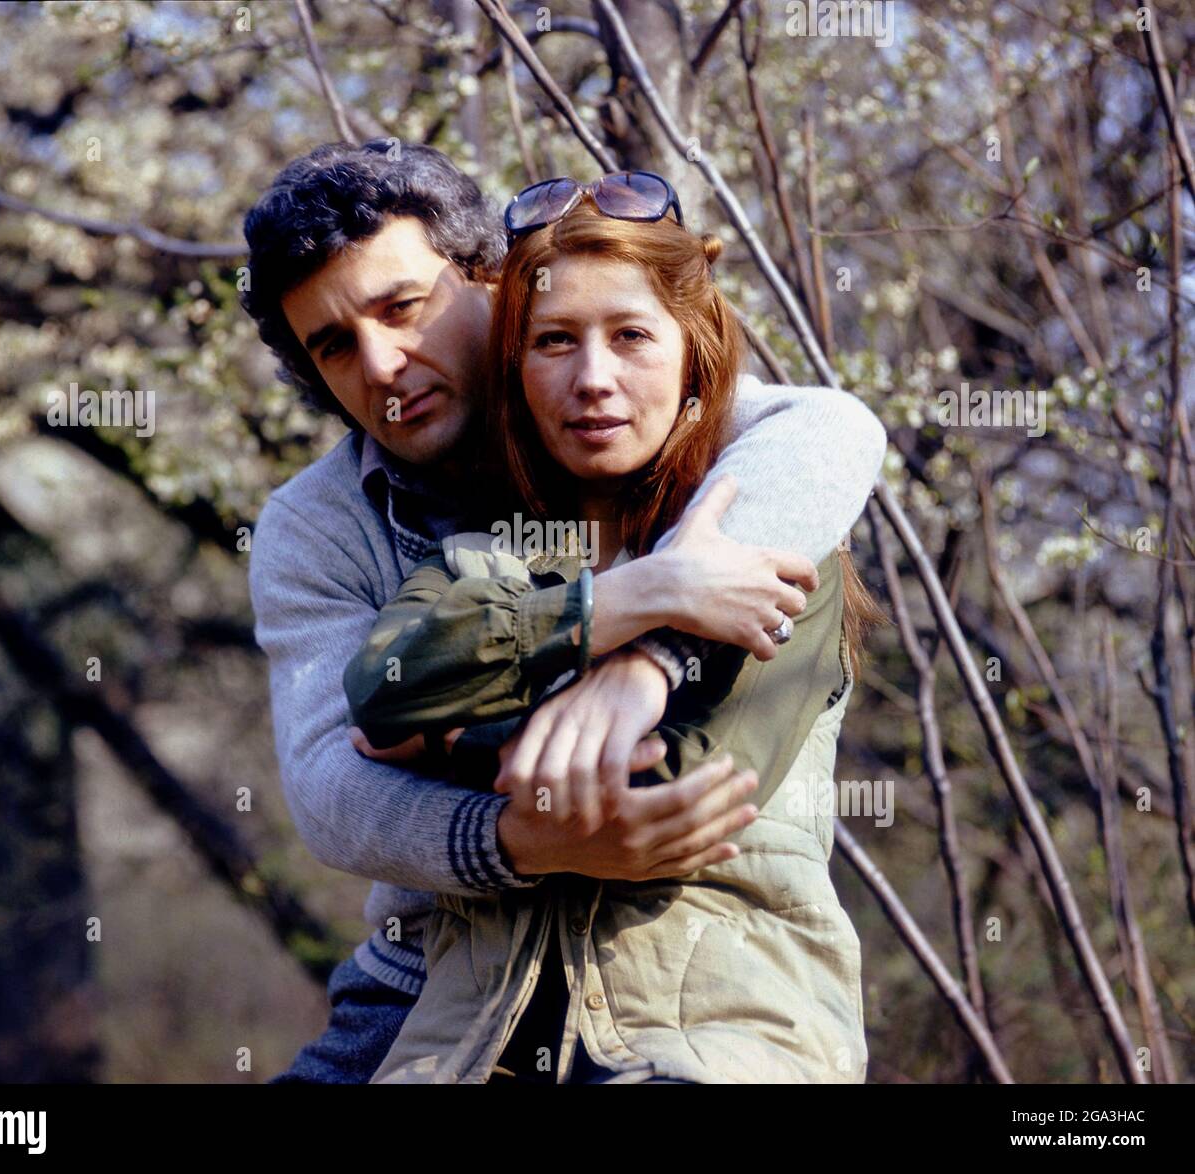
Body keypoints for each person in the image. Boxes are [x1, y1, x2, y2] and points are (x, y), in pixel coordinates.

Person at [240, 142, 887, 1082]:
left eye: (402, 307)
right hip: (431, 972)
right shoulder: (330, 528)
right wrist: (624, 605)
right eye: (334, 345)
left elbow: (832, 427)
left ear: (491, 283)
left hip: (689, 981)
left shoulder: (682, 451)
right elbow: (342, 771)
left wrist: (631, 669)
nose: (382, 365)